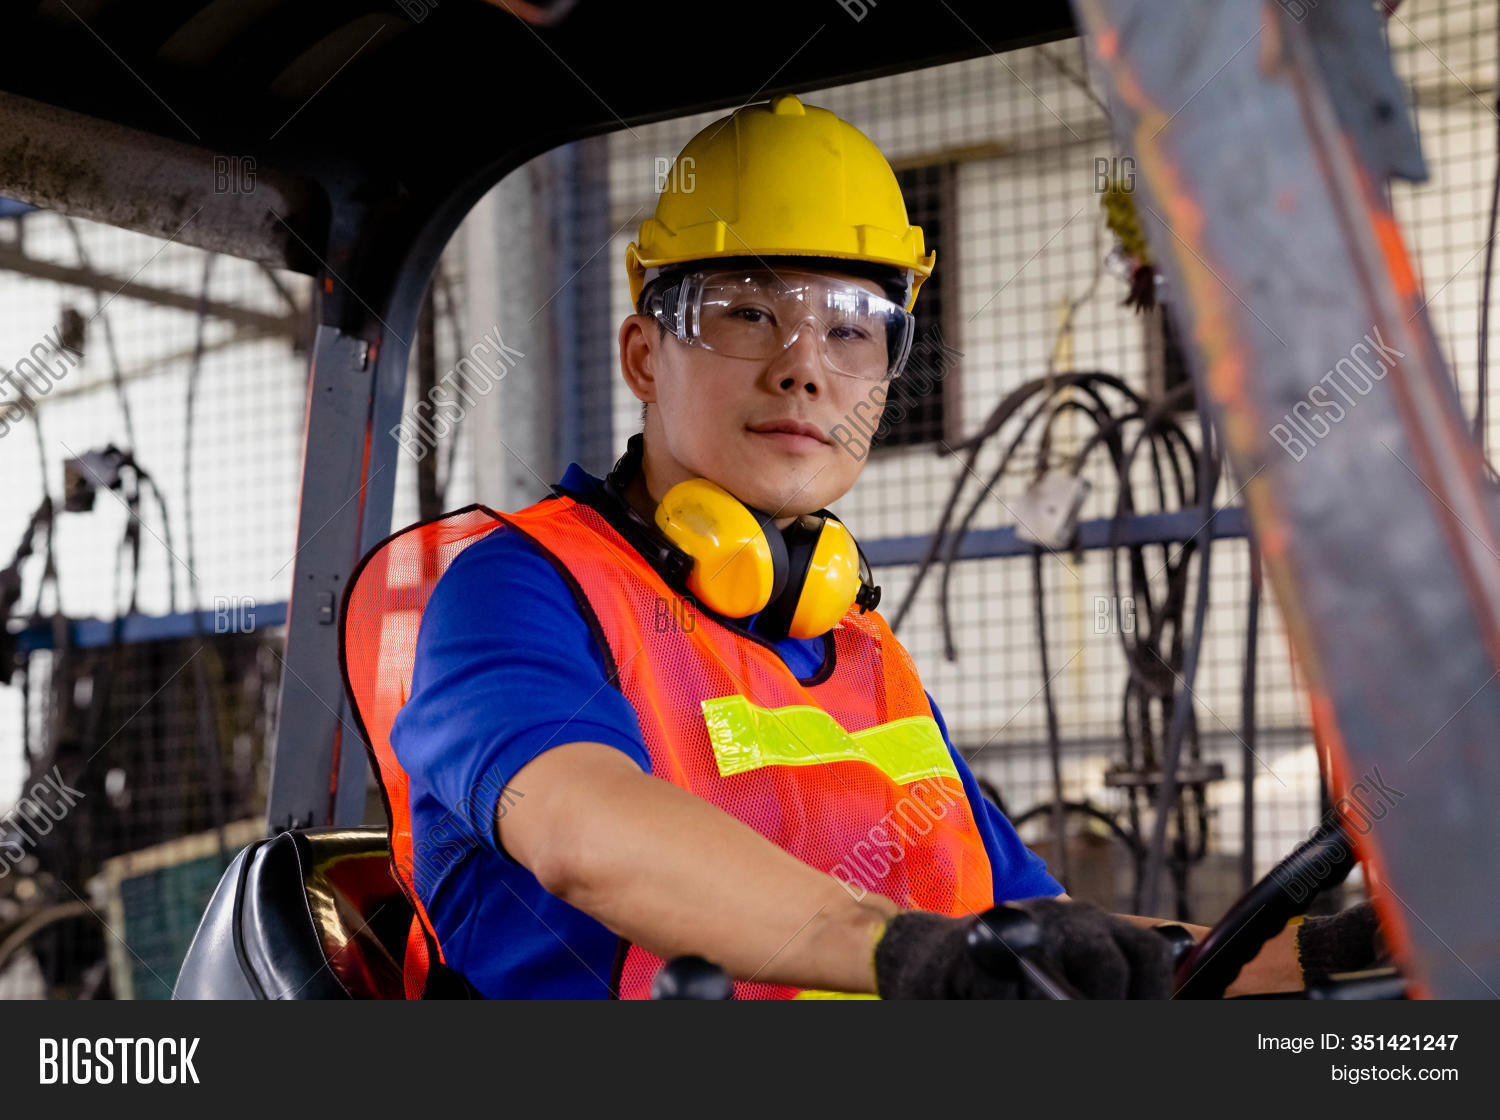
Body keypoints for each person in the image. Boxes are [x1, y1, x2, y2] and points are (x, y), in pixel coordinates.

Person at [371, 94, 1308, 999]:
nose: (804, 368)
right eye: (746, 312)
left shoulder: (863, 649)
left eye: (853, 330)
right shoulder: (520, 589)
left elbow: (1046, 935)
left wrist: (1315, 953)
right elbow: (585, 833)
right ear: (644, 355)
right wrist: (905, 954)